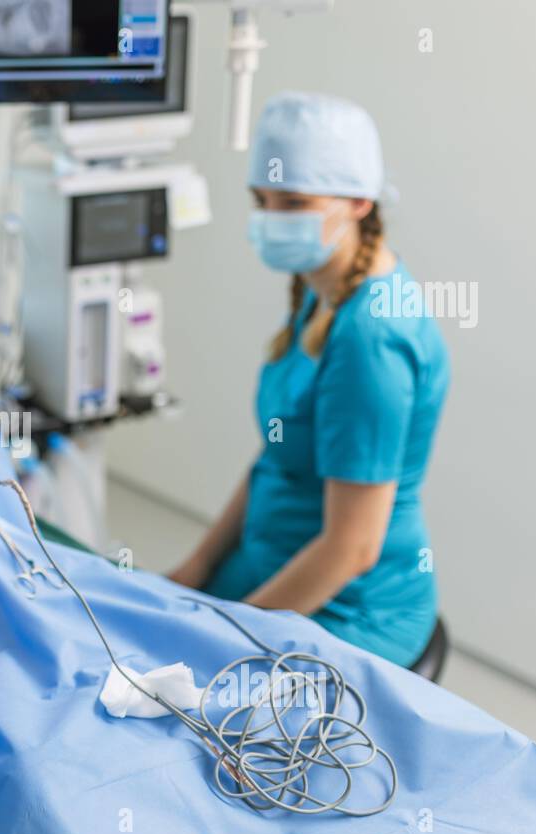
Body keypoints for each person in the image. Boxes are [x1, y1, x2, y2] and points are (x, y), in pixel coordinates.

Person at [169, 92, 450, 668]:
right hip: (274, 556)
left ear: (360, 202)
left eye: (294, 202)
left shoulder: (371, 338)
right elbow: (277, 455)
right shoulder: (320, 289)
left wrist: (230, 638)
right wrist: (196, 567)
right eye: (262, 200)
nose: (272, 217)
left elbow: (352, 548)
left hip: (348, 605)